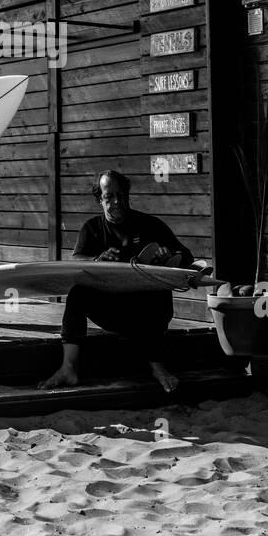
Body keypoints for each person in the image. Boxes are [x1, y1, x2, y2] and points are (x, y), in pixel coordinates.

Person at [39, 168, 193, 393]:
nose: (117, 201)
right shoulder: (92, 228)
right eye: (109, 196)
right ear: (99, 199)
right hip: (110, 311)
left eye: (121, 195)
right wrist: (96, 260)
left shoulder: (149, 225)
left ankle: (158, 367)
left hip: (144, 313)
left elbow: (186, 255)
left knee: (159, 290)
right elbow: (76, 261)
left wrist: (168, 254)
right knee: (78, 293)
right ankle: (68, 368)